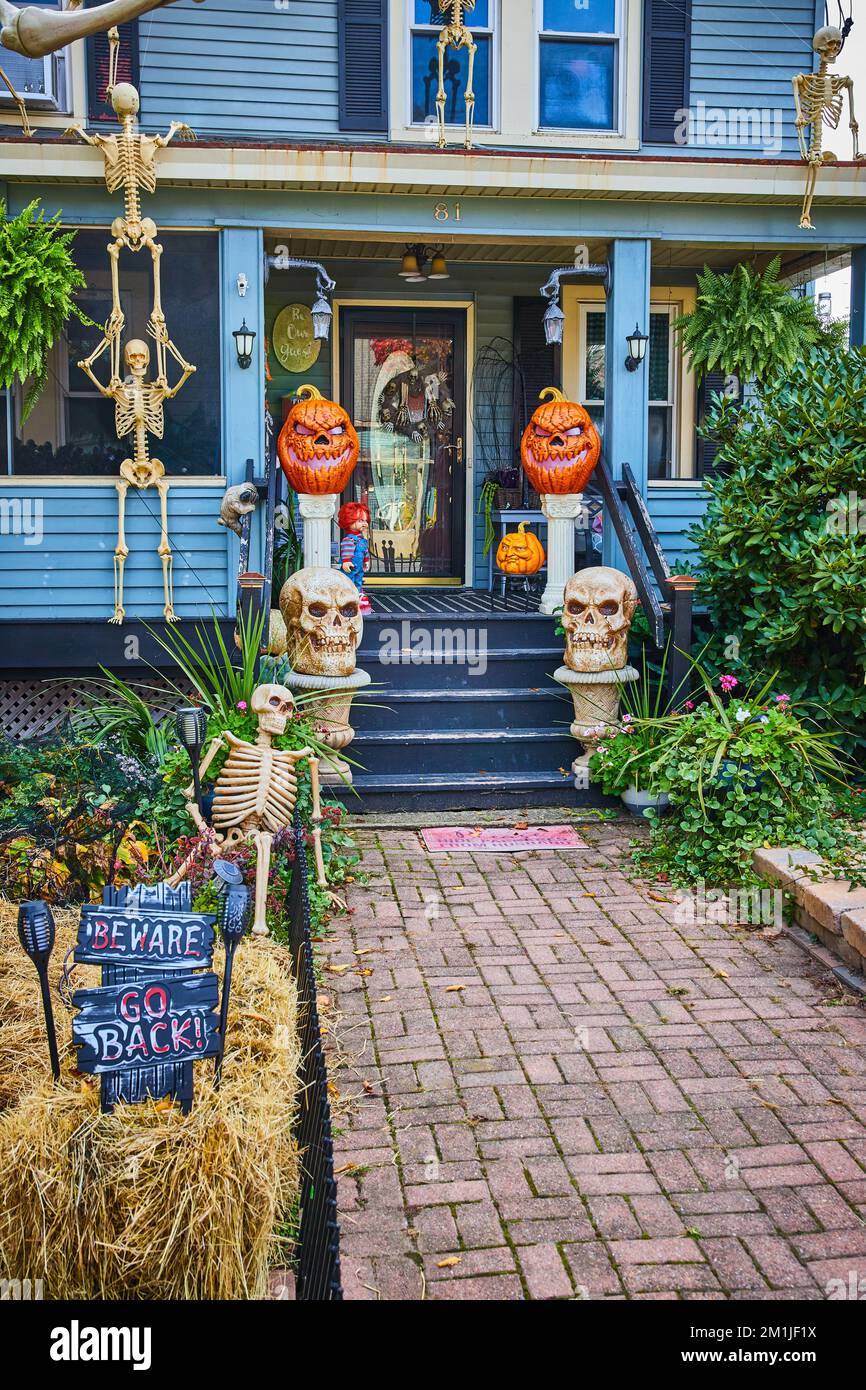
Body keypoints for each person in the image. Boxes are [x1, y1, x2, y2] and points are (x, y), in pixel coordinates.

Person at [338, 500, 372, 615]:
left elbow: (365, 551)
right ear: (349, 521)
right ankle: (348, 598)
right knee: (349, 581)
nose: (364, 524)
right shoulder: (349, 539)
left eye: (365, 521)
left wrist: (366, 561)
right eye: (360, 520)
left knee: (358, 580)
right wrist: (346, 561)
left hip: (359, 567)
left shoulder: (362, 540)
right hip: (351, 567)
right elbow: (346, 552)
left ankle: (357, 595)